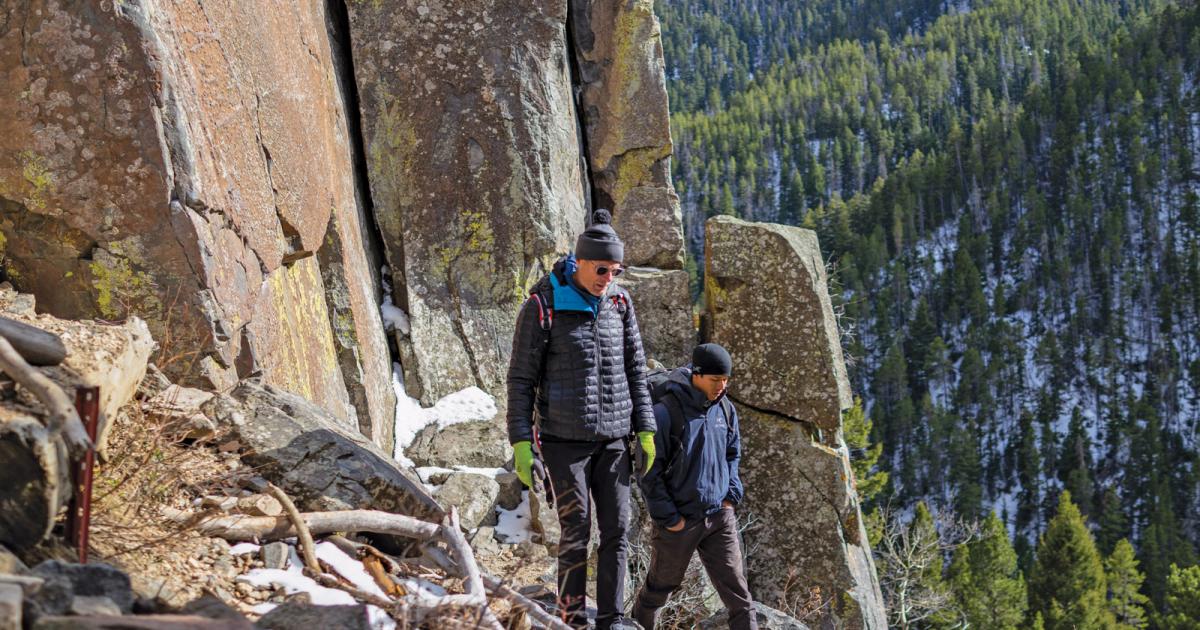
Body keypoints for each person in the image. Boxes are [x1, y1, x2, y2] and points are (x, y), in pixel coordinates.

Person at [506, 209, 656, 629]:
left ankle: (611, 620)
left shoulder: (620, 304)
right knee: (576, 530)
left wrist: (646, 430)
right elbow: (520, 380)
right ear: (580, 261)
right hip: (562, 441)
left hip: (614, 440)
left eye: (616, 270)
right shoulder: (543, 305)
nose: (608, 278)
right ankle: (572, 620)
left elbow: (636, 371)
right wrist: (522, 442)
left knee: (617, 530)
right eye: (601, 269)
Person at [632, 343, 758, 630]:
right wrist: (670, 519)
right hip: (680, 521)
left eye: (725, 380)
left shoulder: (725, 408)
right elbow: (648, 472)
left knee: (739, 597)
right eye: (715, 380)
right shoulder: (665, 413)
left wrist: (731, 495)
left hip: (719, 517)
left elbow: (733, 453)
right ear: (696, 374)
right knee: (658, 592)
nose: (721, 386)